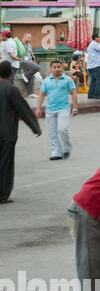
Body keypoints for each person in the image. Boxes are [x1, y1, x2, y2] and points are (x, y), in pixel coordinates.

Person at [0, 61, 41, 203]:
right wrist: (35, 127)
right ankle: (2, 194)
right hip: (7, 133)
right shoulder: (11, 89)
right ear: (11, 73)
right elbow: (23, 110)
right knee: (5, 163)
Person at [37, 58, 78, 160]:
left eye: (59, 67)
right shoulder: (46, 81)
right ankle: (56, 151)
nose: (57, 69)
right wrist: (38, 108)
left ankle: (66, 148)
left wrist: (75, 108)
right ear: (51, 68)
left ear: (62, 68)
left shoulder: (68, 80)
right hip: (50, 109)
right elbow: (41, 95)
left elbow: (73, 93)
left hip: (63, 109)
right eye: (54, 67)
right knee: (52, 132)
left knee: (62, 129)